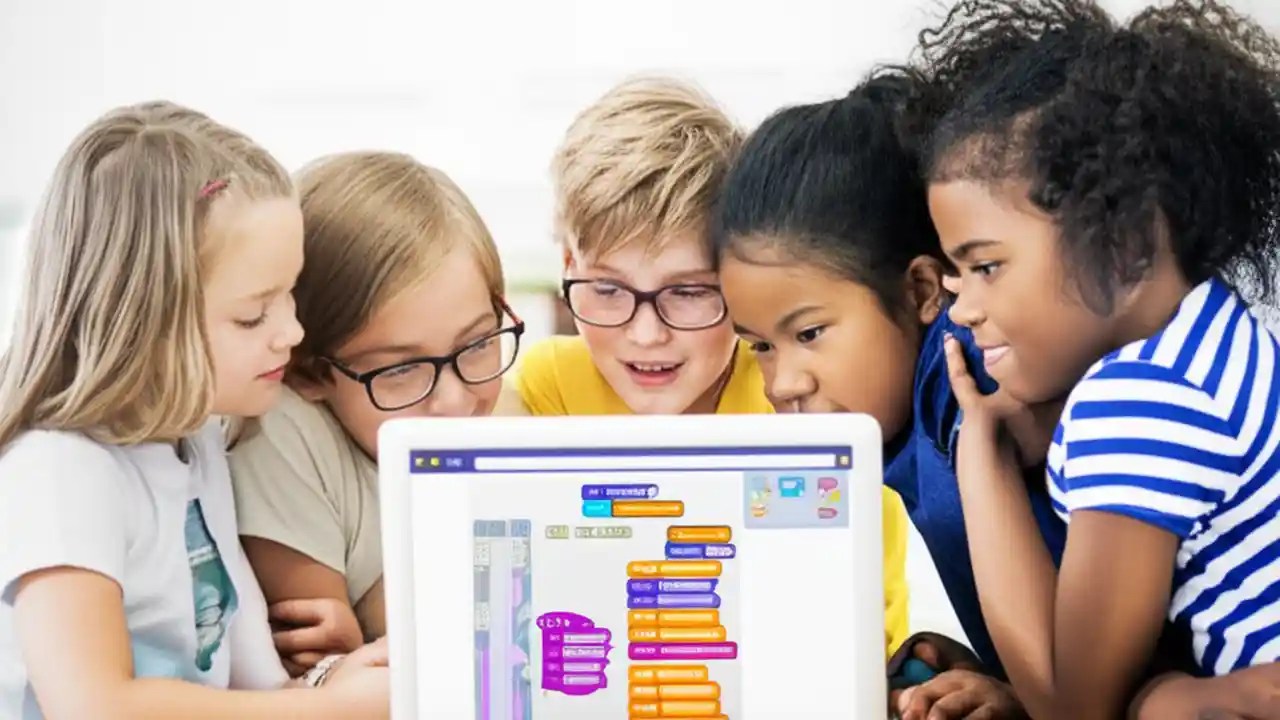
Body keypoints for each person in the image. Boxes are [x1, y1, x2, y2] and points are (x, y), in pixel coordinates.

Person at [926, 1, 1280, 718]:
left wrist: (980, 458)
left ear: (1122, 248)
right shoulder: (1217, 336)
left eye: (986, 267)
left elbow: (1073, 708)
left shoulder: (1140, 398)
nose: (960, 309)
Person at [0, 102, 388, 719]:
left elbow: (249, 686)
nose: (291, 330)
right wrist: (334, 712)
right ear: (141, 322)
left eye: (289, 294)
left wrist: (329, 683)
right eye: (252, 314)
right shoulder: (60, 472)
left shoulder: (197, 439)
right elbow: (95, 705)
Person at [503, 76, 912, 657]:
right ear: (569, 263)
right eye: (608, 289)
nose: (646, 335)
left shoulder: (804, 398)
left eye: (690, 292)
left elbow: (857, 645)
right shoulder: (544, 391)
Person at [713, 67, 1061, 720]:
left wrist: (1023, 696)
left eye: (810, 333)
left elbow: (1101, 678)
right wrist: (989, 674)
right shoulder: (907, 427)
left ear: (924, 291)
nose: (782, 384)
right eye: (760, 345)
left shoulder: (974, 394)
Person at [230, 151, 522, 674]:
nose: (455, 402)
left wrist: (373, 617)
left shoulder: (506, 424)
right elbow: (328, 657)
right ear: (307, 371)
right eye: (399, 370)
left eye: (478, 343)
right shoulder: (279, 433)